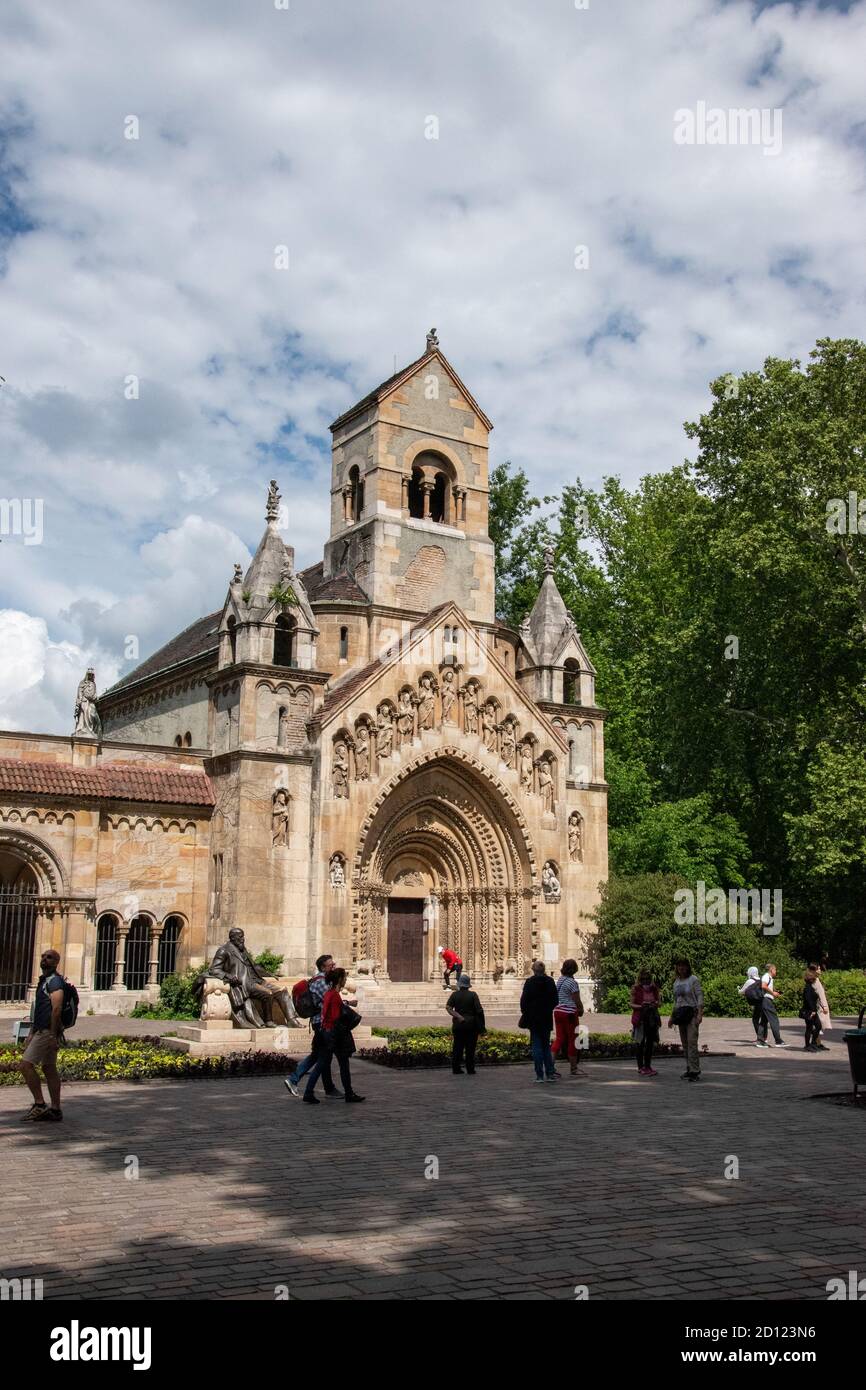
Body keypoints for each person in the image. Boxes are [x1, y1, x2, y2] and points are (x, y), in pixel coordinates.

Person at [303, 967, 365, 1104]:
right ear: (340, 980)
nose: (346, 980)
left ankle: (309, 1092)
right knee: (343, 1064)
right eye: (344, 978)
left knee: (322, 1064)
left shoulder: (329, 994)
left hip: (327, 1032)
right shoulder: (334, 995)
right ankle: (349, 1094)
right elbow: (336, 1016)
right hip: (334, 1035)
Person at [284, 954, 342, 1097]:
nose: (333, 966)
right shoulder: (322, 982)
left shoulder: (320, 980)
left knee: (320, 1055)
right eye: (331, 964)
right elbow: (330, 1001)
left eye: (333, 964)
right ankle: (297, 1082)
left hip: (319, 1023)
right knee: (323, 1056)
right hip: (322, 1023)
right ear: (323, 967)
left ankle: (328, 1089)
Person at [20, 949, 66, 1122]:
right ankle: (55, 1109)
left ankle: (39, 1104)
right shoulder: (45, 981)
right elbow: (39, 1010)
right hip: (42, 1030)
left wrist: (53, 1035)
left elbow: (56, 1009)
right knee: (48, 1068)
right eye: (43, 957)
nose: (45, 960)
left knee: (25, 1065)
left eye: (50, 957)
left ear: (56, 962)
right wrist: (31, 1032)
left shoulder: (55, 982)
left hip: (48, 1031)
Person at [519, 960, 560, 1083]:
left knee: (537, 1046)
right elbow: (555, 1000)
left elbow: (524, 1001)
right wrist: (547, 1009)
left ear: (534, 970)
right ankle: (550, 1074)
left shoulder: (530, 982)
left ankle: (539, 1075)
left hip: (534, 1018)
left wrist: (527, 1012)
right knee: (546, 1046)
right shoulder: (550, 981)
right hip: (546, 1017)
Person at [668, 958, 704, 1081]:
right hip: (681, 1014)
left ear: (688, 967)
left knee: (692, 1042)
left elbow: (699, 996)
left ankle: (695, 1070)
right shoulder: (676, 982)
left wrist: (700, 1014)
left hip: (692, 1013)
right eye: (679, 966)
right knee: (685, 1044)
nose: (681, 968)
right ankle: (689, 1068)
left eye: (684, 966)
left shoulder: (693, 979)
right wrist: (672, 1017)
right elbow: (676, 1001)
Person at [445, 973, 486, 1075]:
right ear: (468, 985)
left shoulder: (454, 994)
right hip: (471, 1025)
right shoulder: (473, 995)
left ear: (459, 984)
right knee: (470, 1048)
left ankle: (456, 1068)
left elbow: (448, 1008)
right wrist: (482, 1026)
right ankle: (470, 1069)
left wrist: (458, 1016)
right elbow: (479, 1011)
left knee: (457, 1047)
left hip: (458, 1025)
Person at [552, 959, 586, 1077]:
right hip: (569, 1013)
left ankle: (551, 1065)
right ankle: (573, 1068)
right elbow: (576, 999)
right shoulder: (572, 983)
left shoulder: (560, 980)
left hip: (558, 1011)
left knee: (559, 1038)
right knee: (573, 1039)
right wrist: (581, 1009)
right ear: (574, 969)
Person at [630, 968, 661, 1076]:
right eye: (643, 979)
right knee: (640, 1043)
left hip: (652, 1018)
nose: (646, 981)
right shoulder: (636, 989)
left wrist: (655, 1004)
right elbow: (631, 1004)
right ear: (640, 979)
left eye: (648, 979)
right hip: (640, 1019)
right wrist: (641, 1006)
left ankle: (648, 1065)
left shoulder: (654, 989)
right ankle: (640, 1066)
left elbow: (659, 1002)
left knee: (650, 1044)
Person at [759, 963, 787, 1048]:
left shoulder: (769, 977)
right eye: (775, 970)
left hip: (766, 1000)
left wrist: (775, 992)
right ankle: (778, 1040)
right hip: (766, 1001)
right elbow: (763, 986)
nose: (776, 971)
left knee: (763, 1022)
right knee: (774, 1020)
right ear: (771, 970)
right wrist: (772, 993)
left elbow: (766, 987)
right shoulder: (766, 976)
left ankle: (760, 1041)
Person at [738, 965, 767, 1045]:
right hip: (764, 1001)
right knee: (763, 1021)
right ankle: (764, 1037)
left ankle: (760, 1037)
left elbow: (741, 992)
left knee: (755, 1019)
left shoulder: (750, 981)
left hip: (757, 1002)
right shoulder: (762, 979)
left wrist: (738, 989)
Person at [809, 963, 832, 1049]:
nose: (820, 970)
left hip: (822, 1005)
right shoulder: (813, 980)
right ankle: (815, 1043)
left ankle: (818, 1043)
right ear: (813, 970)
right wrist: (824, 1007)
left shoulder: (817, 979)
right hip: (819, 1006)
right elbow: (818, 995)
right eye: (818, 969)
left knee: (820, 1026)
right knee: (819, 1025)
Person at [801, 970, 823, 1052]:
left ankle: (813, 1043)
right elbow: (808, 1000)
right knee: (809, 1028)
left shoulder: (810, 987)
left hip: (812, 1010)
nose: (815, 980)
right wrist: (812, 1010)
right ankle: (807, 1045)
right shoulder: (808, 988)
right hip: (810, 1011)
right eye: (814, 978)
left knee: (818, 1026)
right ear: (811, 979)